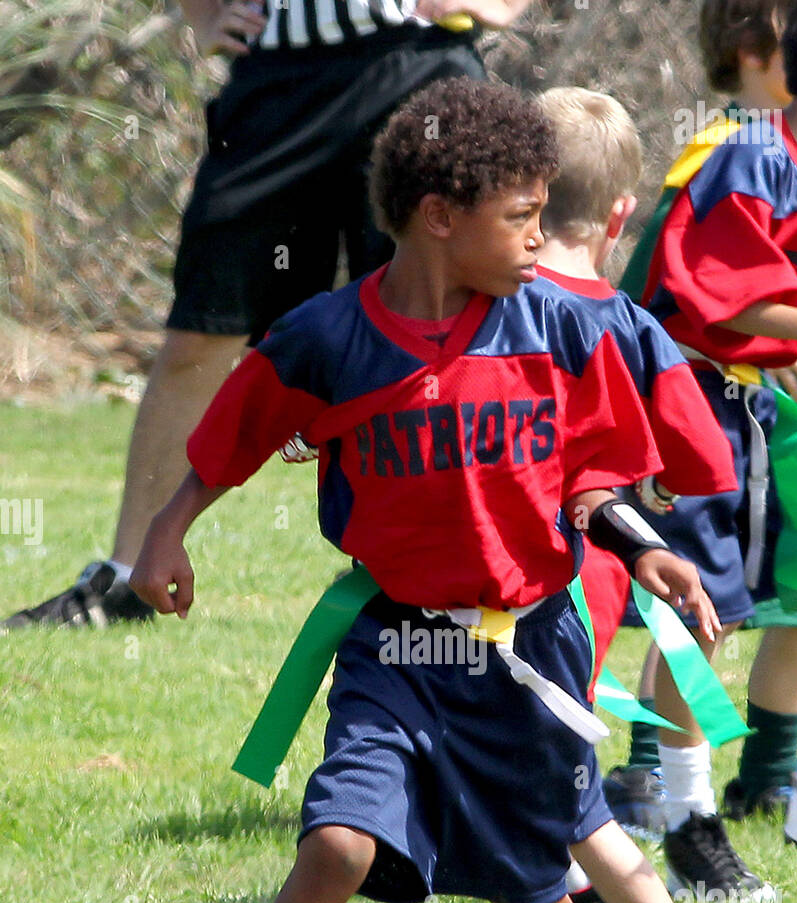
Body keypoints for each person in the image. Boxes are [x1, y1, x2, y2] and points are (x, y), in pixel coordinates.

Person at [130, 78, 747, 903]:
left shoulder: (561, 322)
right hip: (395, 647)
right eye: (521, 216)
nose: (539, 237)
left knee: (529, 882)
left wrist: (646, 548)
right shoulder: (327, 336)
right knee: (334, 845)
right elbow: (237, 432)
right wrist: (168, 528)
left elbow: (595, 469)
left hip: (526, 647)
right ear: (436, 216)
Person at [2, 0, 530, 630]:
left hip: (420, 70)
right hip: (277, 79)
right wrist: (198, 14)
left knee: (434, 327)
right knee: (202, 329)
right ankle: (124, 583)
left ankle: (453, 583)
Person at [533, 85, 765, 903]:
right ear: (622, 214)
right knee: (549, 779)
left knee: (559, 787)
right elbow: (706, 458)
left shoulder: (471, 310)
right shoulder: (633, 326)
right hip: (590, 574)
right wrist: (652, 487)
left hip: (517, 590)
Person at [613, 0, 797, 859]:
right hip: (692, 407)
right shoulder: (747, 153)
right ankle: (682, 818)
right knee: (700, 611)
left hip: (763, 410)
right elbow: (701, 298)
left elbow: (794, 306)